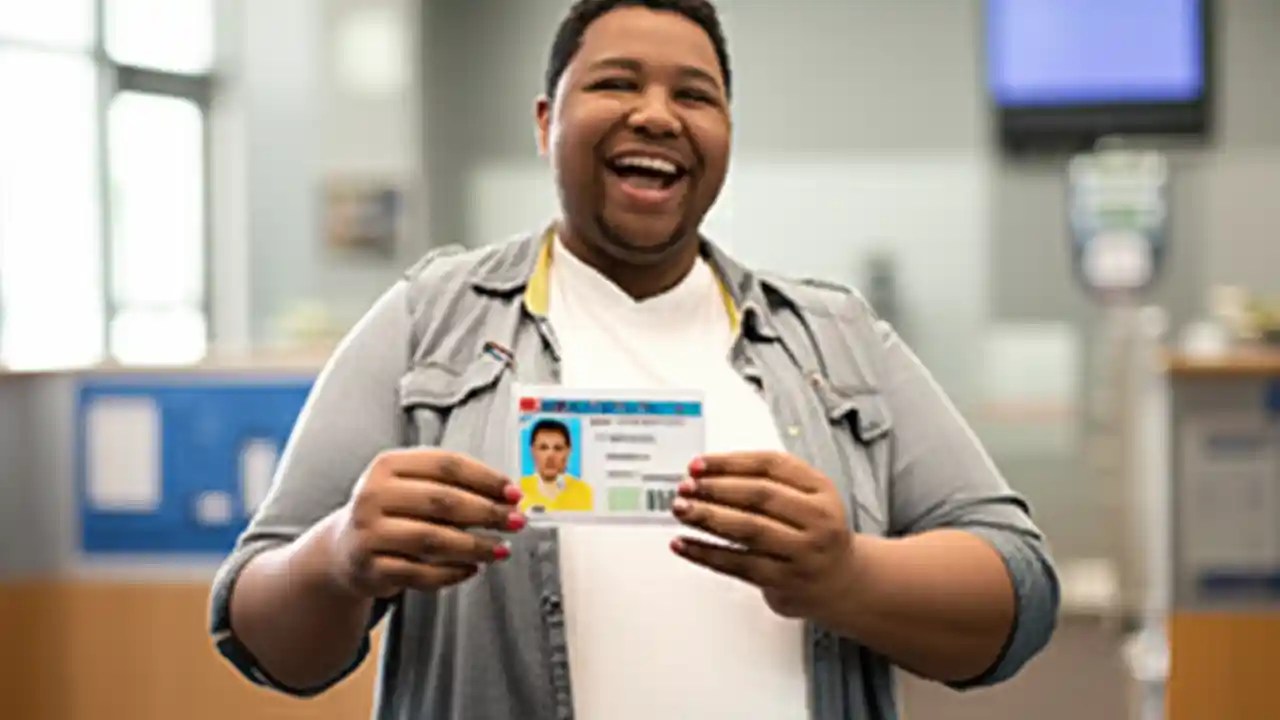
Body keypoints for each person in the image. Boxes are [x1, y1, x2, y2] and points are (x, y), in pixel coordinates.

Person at [208, 1, 1060, 718]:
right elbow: (261, 635)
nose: (657, 115)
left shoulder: (836, 338)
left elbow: (1018, 594)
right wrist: (337, 557)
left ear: (725, 135)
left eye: (695, 95)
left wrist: (847, 576)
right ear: (546, 122)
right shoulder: (429, 322)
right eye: (616, 83)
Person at [520, 418, 593, 512]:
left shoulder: (586, 493)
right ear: (533, 451)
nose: (550, 455)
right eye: (543, 448)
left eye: (558, 448)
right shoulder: (519, 490)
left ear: (568, 451)